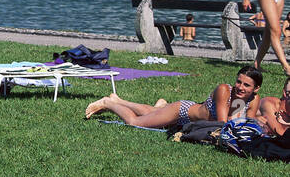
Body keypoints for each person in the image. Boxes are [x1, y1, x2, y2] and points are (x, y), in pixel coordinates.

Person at [84, 66, 263, 128]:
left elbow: (248, 121)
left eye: (246, 85)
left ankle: (119, 100)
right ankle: (108, 103)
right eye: (239, 82)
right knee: (135, 122)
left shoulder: (252, 100)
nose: (240, 87)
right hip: (181, 112)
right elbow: (223, 123)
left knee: (151, 113)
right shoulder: (225, 90)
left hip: (188, 117)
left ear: (256, 89)